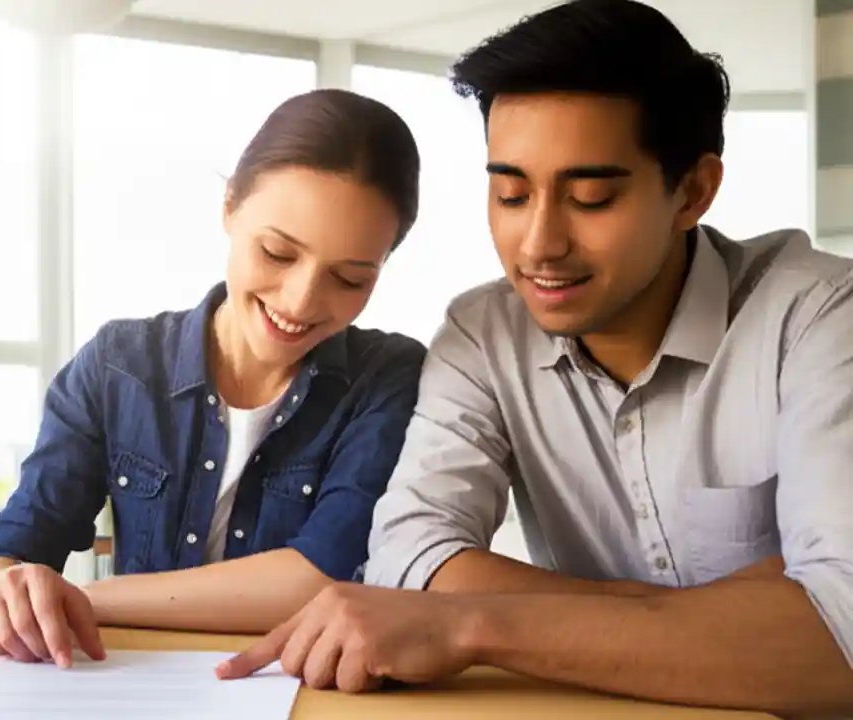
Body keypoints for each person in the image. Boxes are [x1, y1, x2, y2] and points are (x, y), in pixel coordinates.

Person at [218, 0, 853, 714]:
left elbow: (840, 646)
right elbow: (411, 558)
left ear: (693, 192)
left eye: (590, 197)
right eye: (511, 193)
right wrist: (734, 613)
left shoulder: (821, 317)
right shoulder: (483, 333)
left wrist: (473, 623)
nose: (539, 244)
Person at [0, 88, 427, 669]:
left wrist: (83, 600)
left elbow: (322, 575)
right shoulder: (119, 367)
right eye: (279, 253)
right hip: (136, 686)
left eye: (351, 278)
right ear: (230, 205)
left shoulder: (388, 379)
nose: (302, 300)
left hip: (301, 691)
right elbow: (10, 551)